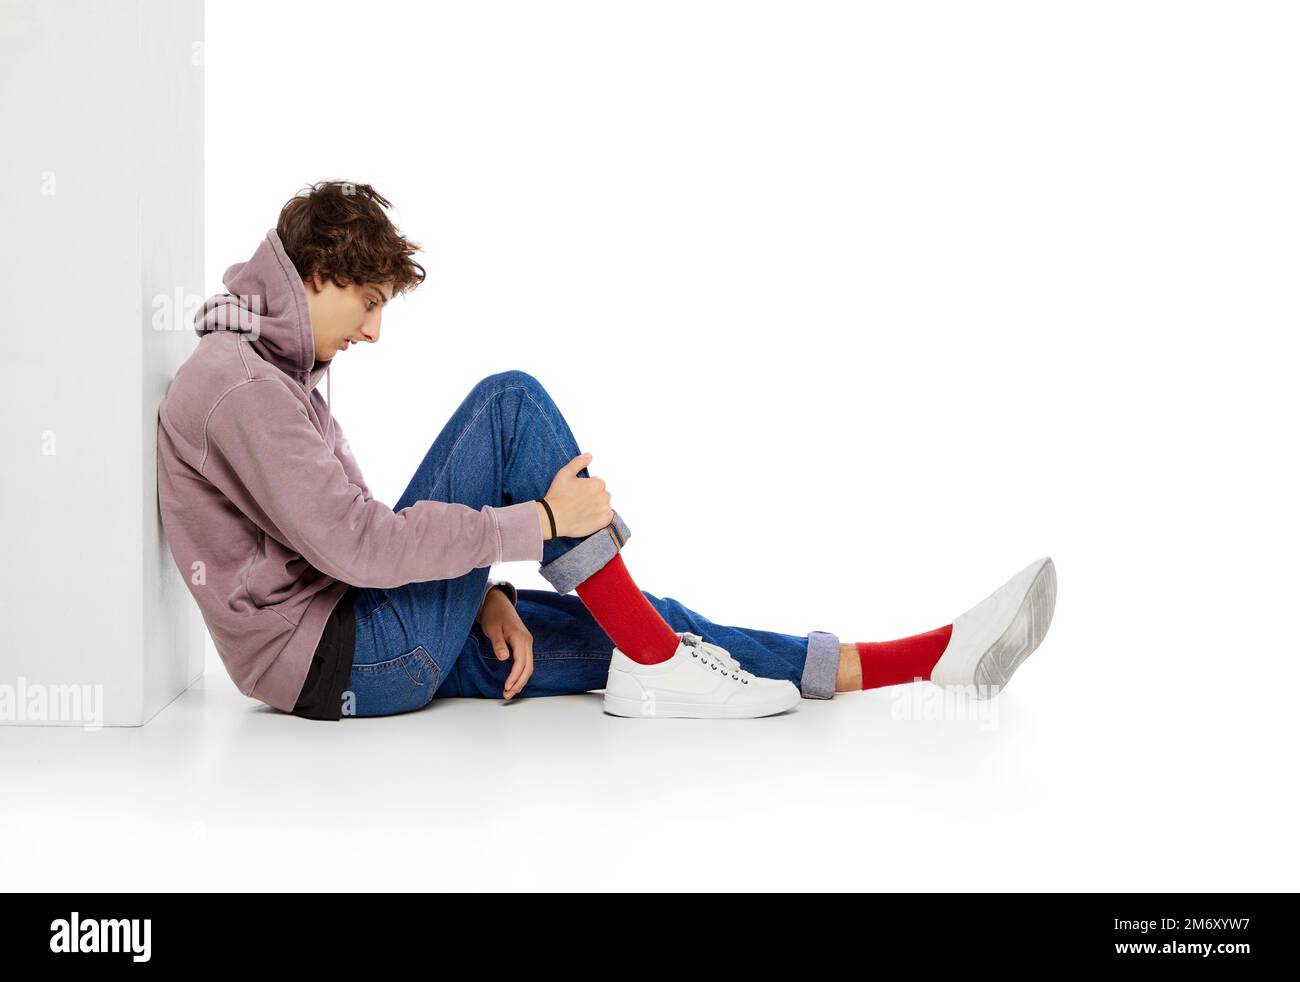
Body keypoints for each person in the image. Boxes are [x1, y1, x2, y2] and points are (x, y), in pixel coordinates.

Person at [156, 180, 1057, 722]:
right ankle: (660, 671)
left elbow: (351, 544)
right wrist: (540, 522)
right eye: (368, 304)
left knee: (641, 625)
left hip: (361, 642)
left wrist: (481, 600)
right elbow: (355, 544)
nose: (377, 332)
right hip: (346, 658)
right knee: (509, 406)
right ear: (315, 278)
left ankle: (924, 657)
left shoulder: (269, 367)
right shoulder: (238, 385)